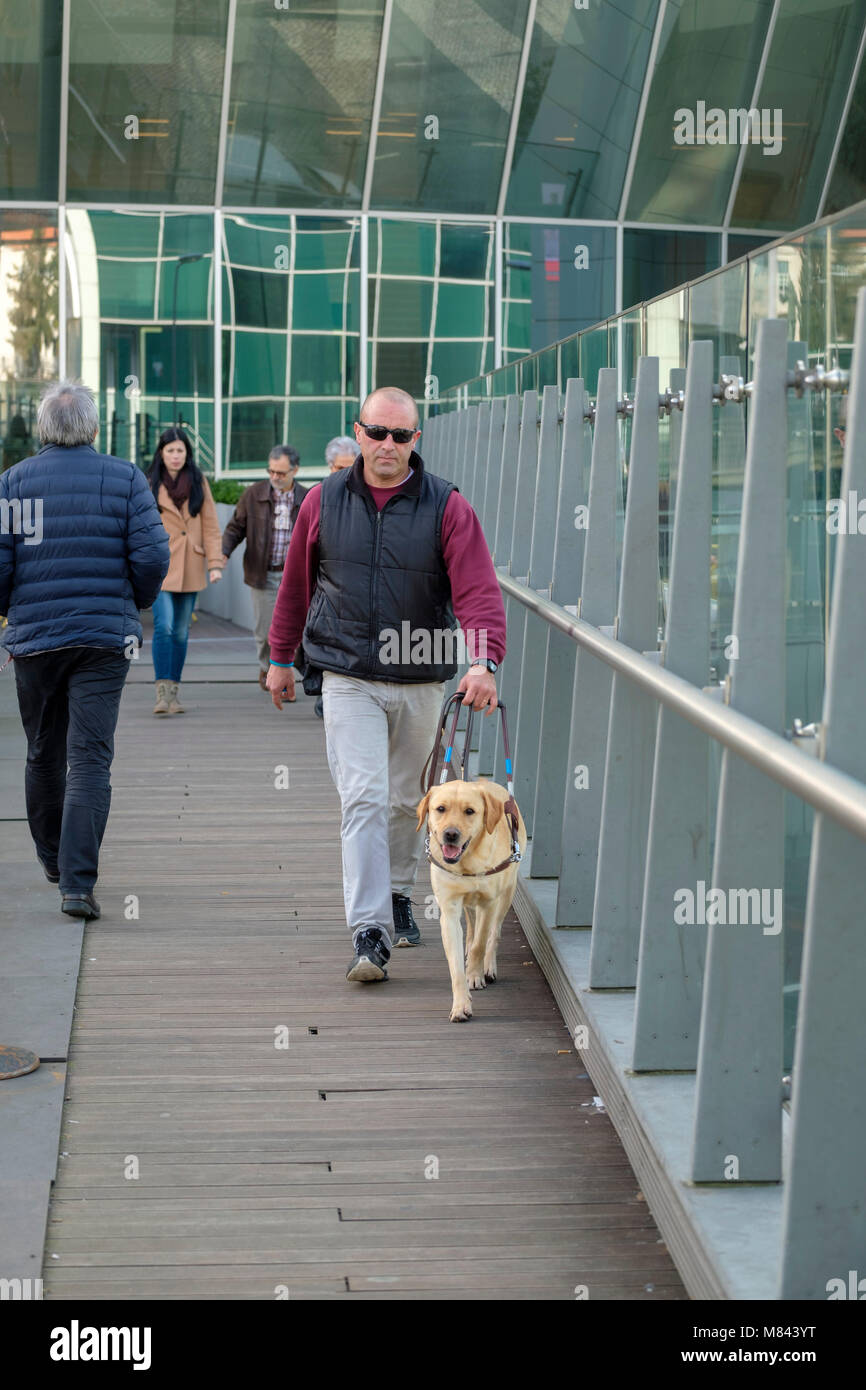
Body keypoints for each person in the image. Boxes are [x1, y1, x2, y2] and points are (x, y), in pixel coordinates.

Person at [265, 385, 506, 983]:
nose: (387, 445)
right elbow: (296, 585)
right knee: (365, 798)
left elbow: (477, 590)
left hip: (422, 677)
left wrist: (484, 662)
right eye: (377, 433)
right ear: (359, 432)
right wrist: (280, 656)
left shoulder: (447, 505)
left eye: (401, 435)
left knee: (408, 800)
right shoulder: (322, 501)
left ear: (415, 440)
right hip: (347, 675)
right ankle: (369, 930)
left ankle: (399, 892)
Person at [0, 380, 169, 920]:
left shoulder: (13, 483)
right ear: (93, 428)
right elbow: (152, 556)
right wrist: (131, 604)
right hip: (103, 639)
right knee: (91, 758)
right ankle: (77, 883)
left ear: (44, 428)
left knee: (41, 752)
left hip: (34, 641)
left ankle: (52, 858)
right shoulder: (124, 480)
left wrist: (16, 611)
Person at [146, 427, 224, 716]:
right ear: (161, 453)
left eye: (180, 450)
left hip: (191, 565)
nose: (175, 456)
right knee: (164, 626)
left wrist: (215, 564)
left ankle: (174, 692)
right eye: (170, 451)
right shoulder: (149, 481)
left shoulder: (198, 481)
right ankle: (161, 693)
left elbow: (211, 525)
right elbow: (140, 527)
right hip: (160, 567)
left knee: (180, 631)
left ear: (187, 453)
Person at [221, 445, 307, 690]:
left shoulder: (306, 497)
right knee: (265, 630)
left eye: (281, 472)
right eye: (271, 471)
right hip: (263, 573)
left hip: (295, 577)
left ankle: (282, 679)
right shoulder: (253, 494)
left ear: (295, 470)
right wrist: (223, 553)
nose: (275, 477)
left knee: (295, 631)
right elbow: (235, 528)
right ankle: (267, 667)